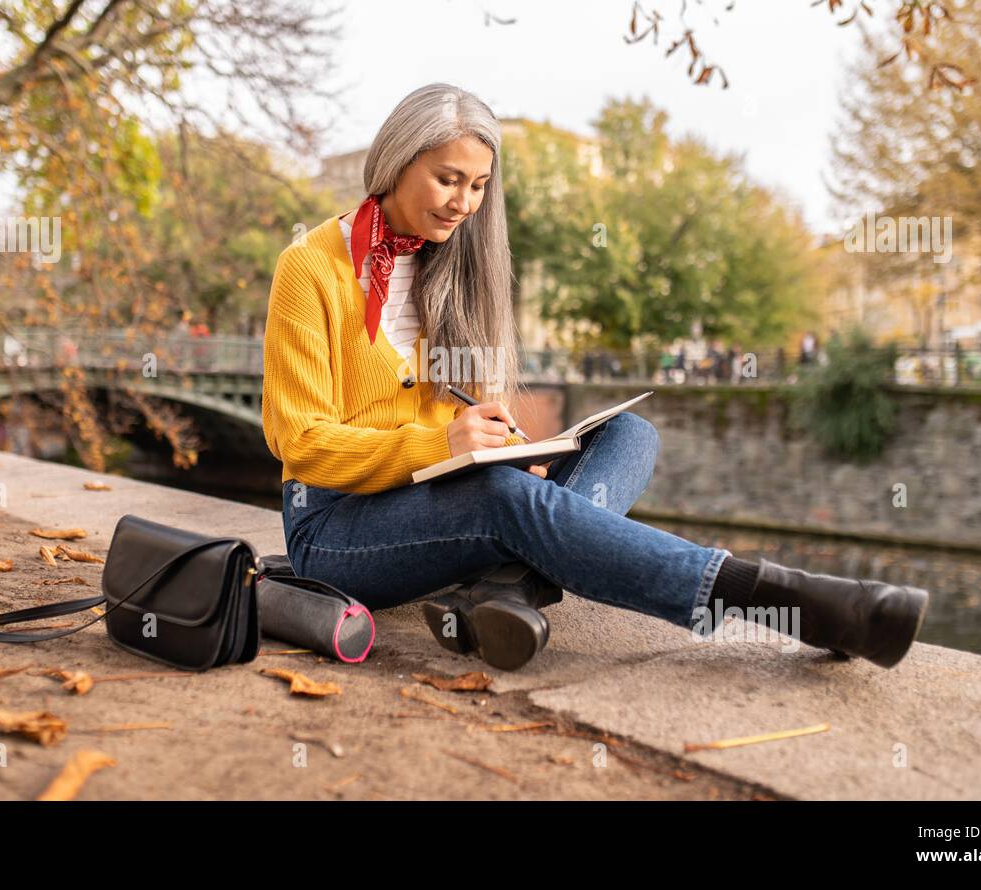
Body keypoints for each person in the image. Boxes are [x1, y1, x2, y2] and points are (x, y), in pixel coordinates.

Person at [261, 83, 928, 672]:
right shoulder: (310, 268)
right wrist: (445, 446)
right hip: (336, 528)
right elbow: (301, 445)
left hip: (434, 498)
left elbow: (454, 413)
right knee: (498, 498)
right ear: (397, 160)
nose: (464, 201)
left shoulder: (455, 264)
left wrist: (508, 443)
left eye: (479, 184)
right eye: (447, 178)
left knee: (630, 435)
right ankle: (788, 599)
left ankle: (511, 588)